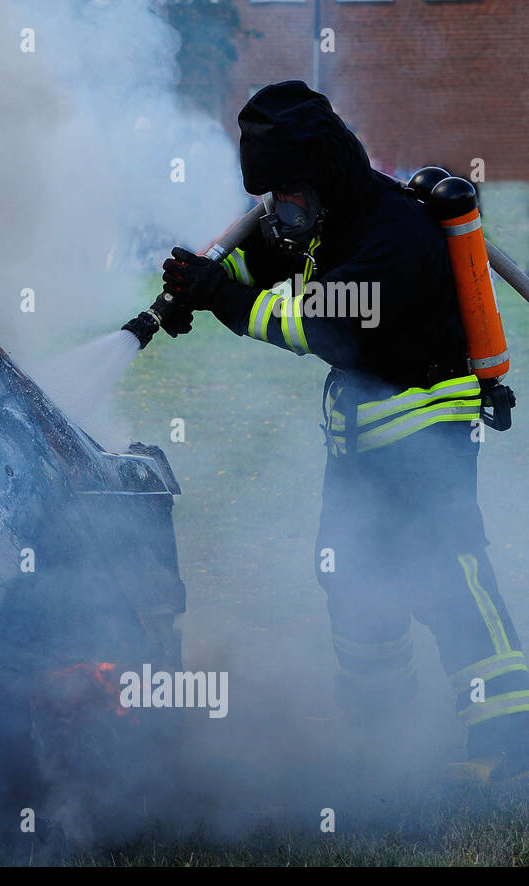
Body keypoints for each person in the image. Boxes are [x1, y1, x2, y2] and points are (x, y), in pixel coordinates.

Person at [160, 80, 528, 784]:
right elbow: (264, 255)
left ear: (320, 178)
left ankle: (511, 740)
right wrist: (199, 279)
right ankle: (381, 733)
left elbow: (314, 324)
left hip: (424, 430)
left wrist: (223, 298)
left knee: (447, 572)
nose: (279, 209)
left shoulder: (395, 235)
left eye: (288, 192)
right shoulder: (327, 218)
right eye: (272, 195)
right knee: (352, 577)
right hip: (360, 442)